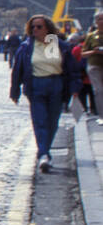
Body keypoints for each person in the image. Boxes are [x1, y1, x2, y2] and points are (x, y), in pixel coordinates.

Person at [10, 14, 81, 173]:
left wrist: (75, 89)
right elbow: (18, 70)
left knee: (52, 121)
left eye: (39, 27)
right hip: (36, 85)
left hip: (56, 84)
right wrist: (15, 90)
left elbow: (71, 69)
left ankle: (44, 151)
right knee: (40, 121)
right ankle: (44, 154)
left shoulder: (57, 45)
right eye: (33, 27)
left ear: (47, 28)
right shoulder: (27, 46)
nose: (35, 29)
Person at [79, 11, 103, 121]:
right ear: (96, 21)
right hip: (95, 65)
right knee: (99, 91)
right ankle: (102, 115)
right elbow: (83, 54)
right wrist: (94, 52)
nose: (102, 21)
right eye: (99, 19)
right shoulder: (91, 36)